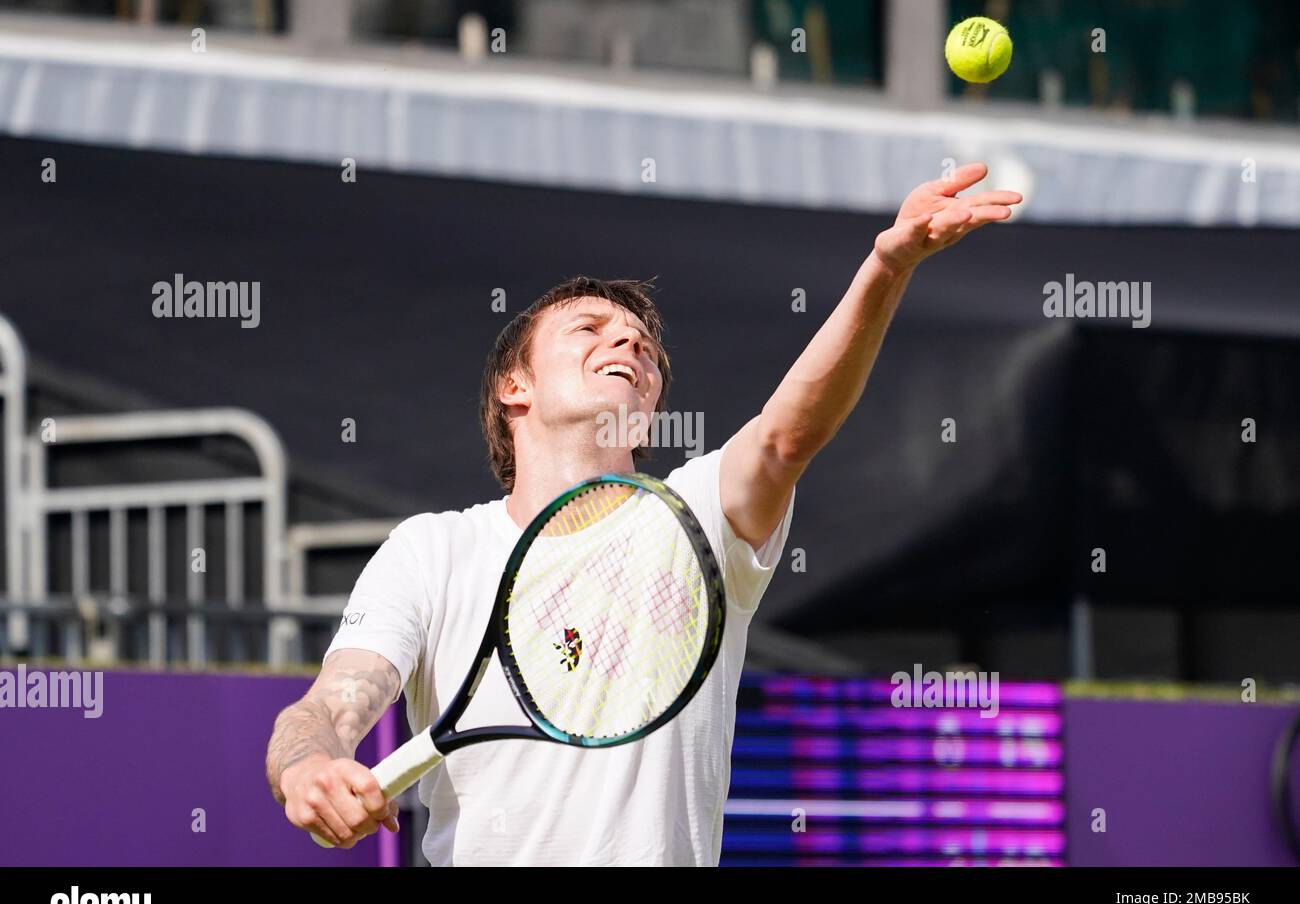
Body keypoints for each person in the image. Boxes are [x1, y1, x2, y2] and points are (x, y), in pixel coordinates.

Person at [265, 163, 1021, 865]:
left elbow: (789, 435)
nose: (629, 339)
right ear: (514, 387)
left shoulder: (695, 521)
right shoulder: (431, 550)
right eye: (588, 330)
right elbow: (330, 705)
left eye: (646, 347)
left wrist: (887, 269)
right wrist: (312, 766)